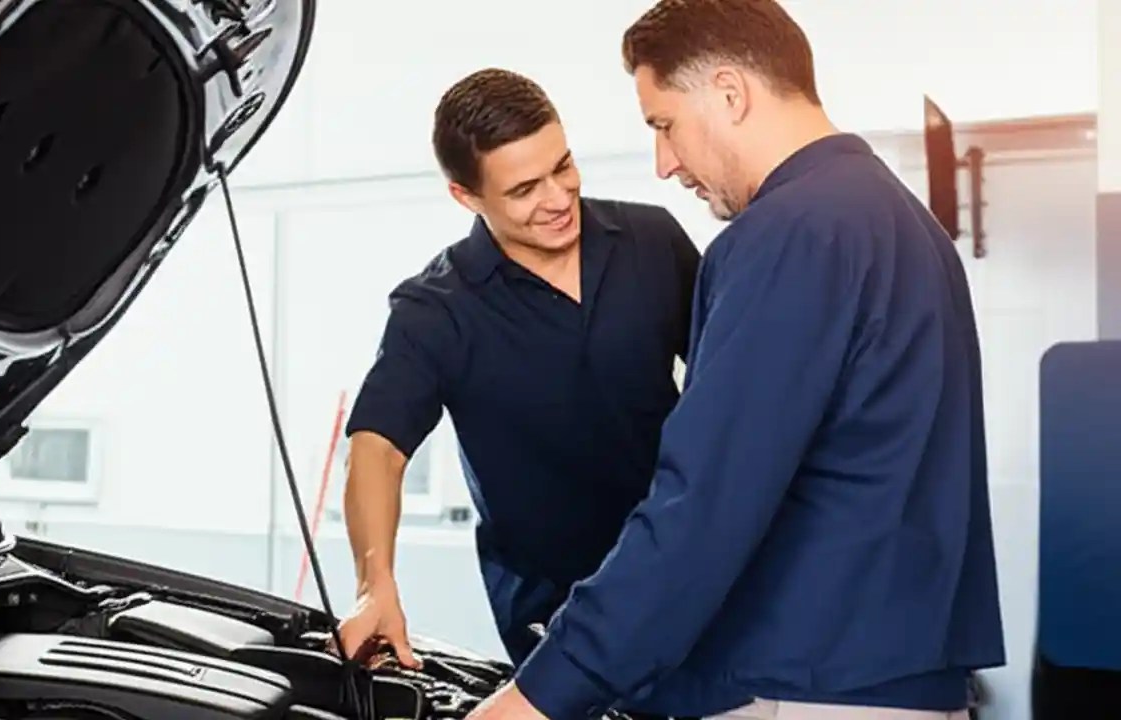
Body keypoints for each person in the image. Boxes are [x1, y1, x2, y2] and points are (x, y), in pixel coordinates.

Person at [465, 1, 1007, 719]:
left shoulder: (788, 233)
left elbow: (706, 501)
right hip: (903, 679)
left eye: (663, 124)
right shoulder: (904, 223)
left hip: (803, 683)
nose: (664, 164)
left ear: (729, 93)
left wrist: (544, 691)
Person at [335, 67, 741, 711]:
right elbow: (377, 447)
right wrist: (373, 584)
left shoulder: (652, 240)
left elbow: (738, 386)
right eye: (524, 189)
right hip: (555, 611)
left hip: (687, 572)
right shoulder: (434, 308)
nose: (557, 198)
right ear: (466, 197)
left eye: (563, 166)